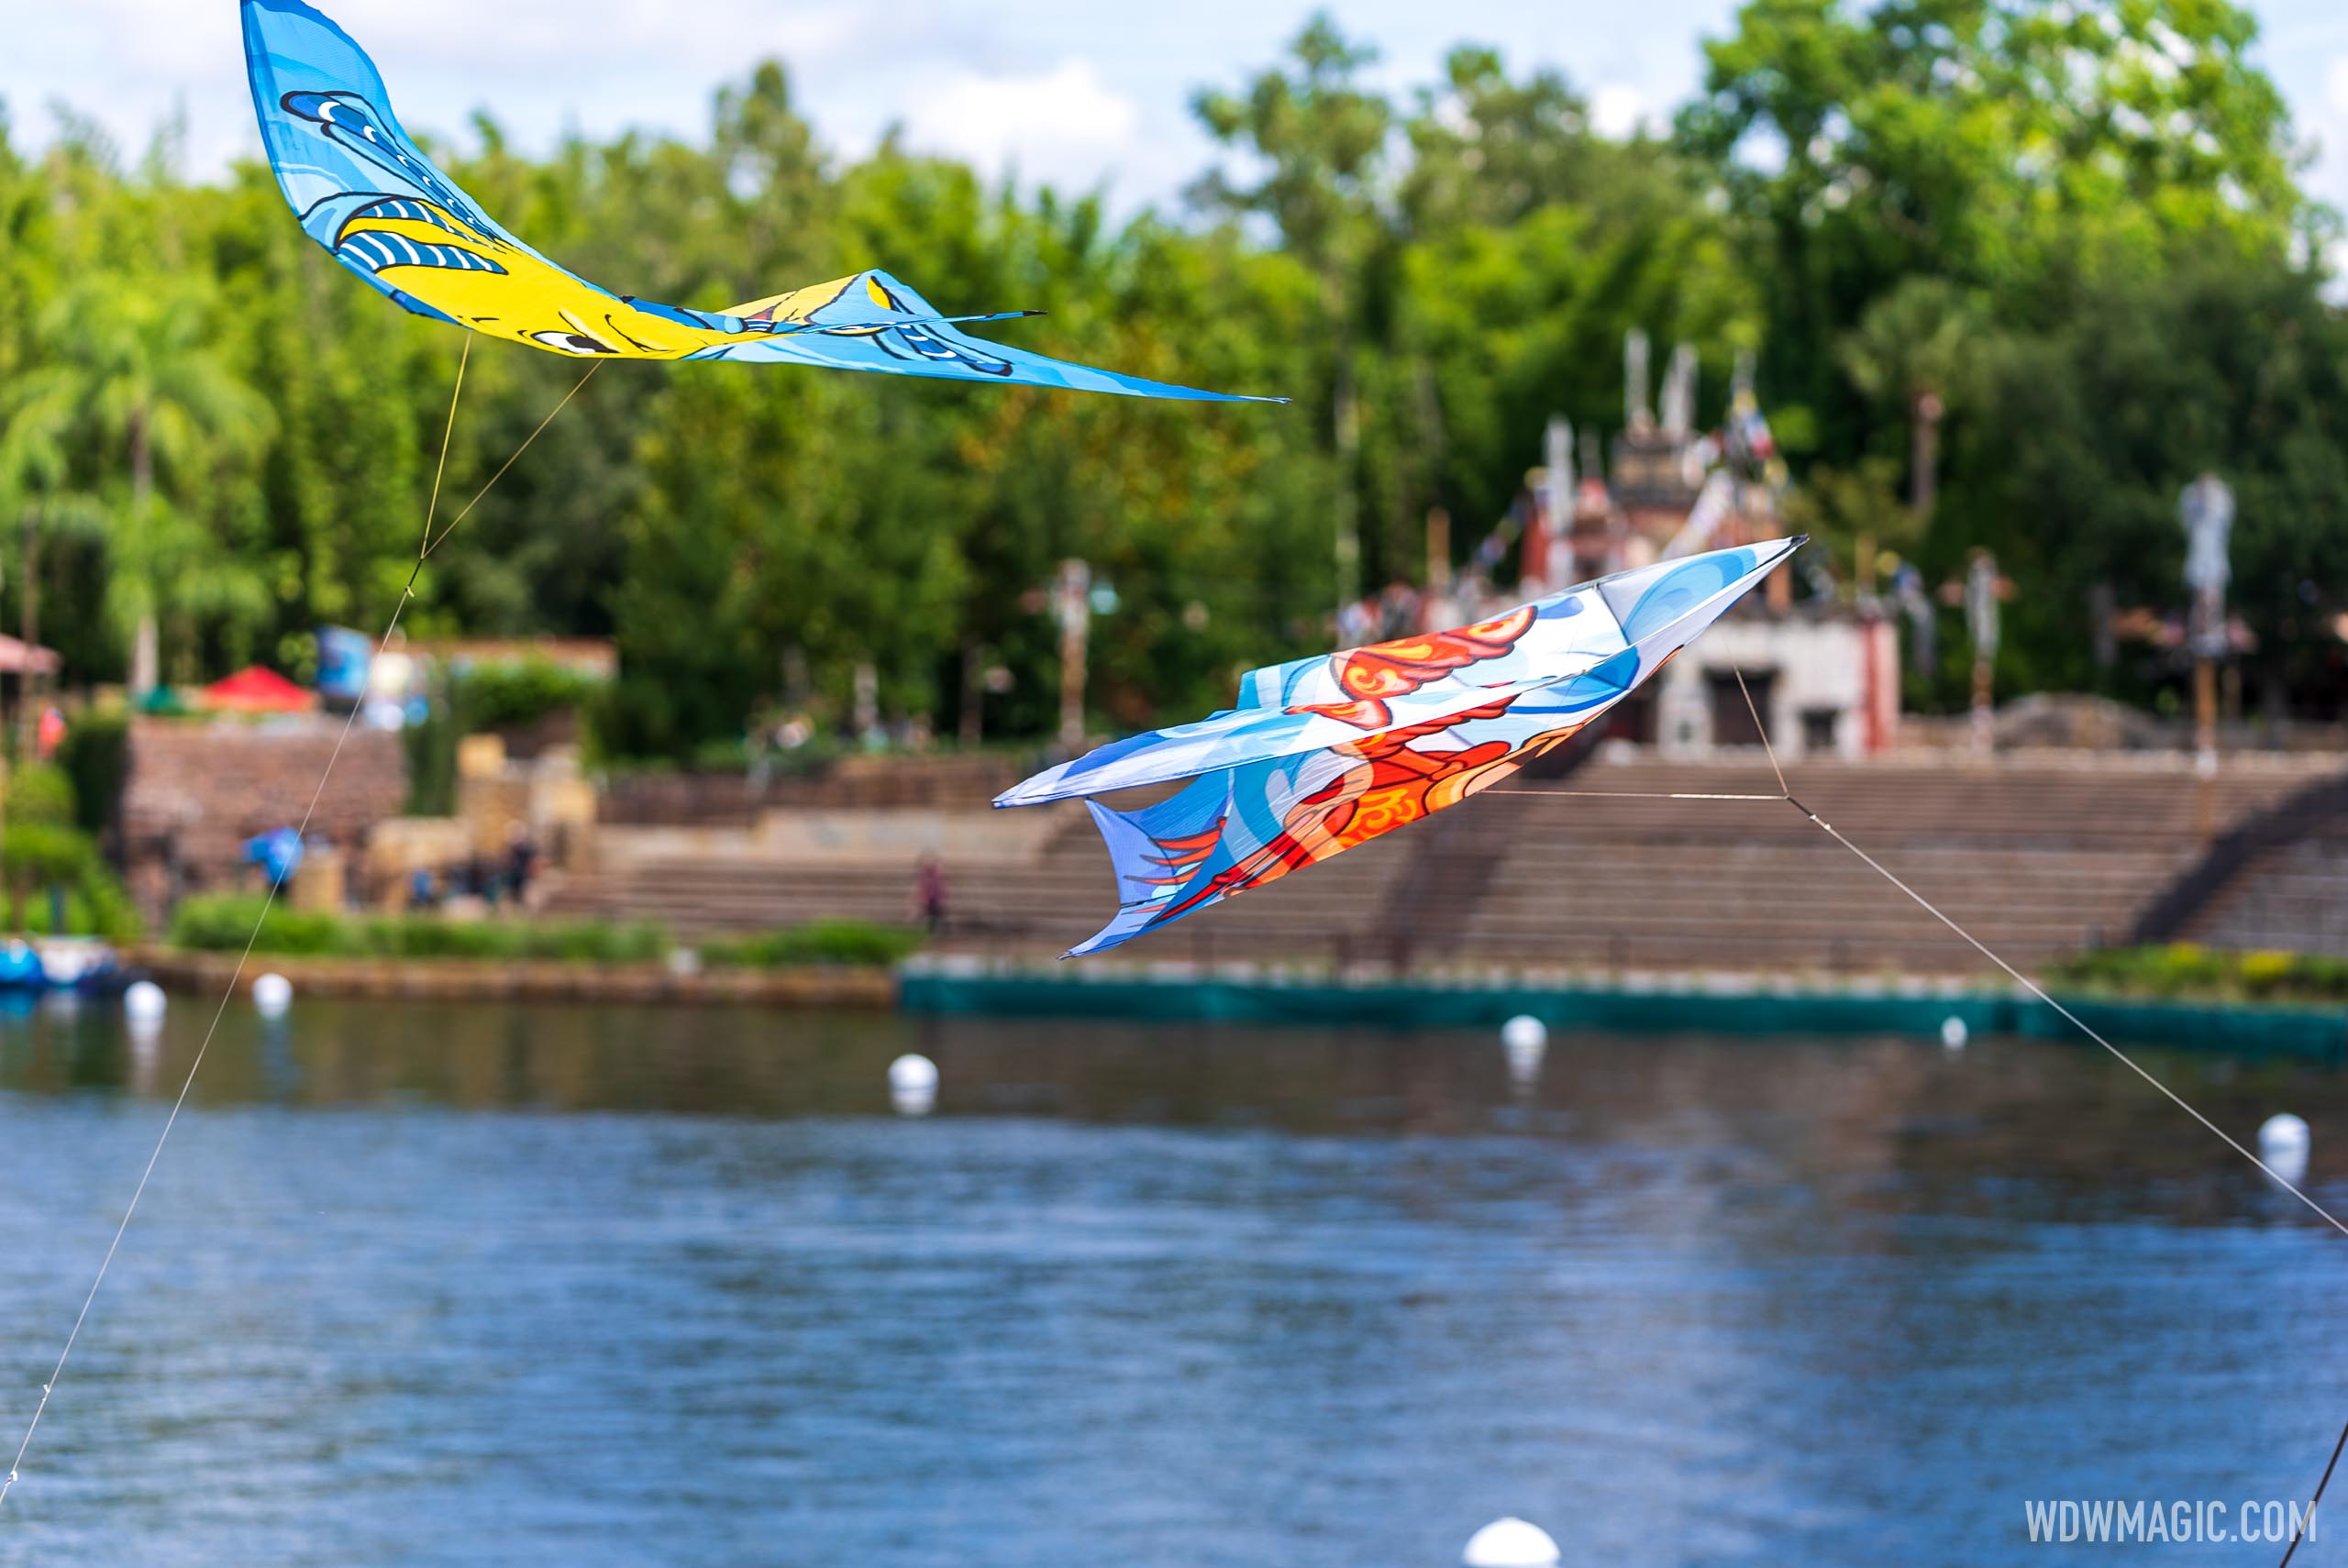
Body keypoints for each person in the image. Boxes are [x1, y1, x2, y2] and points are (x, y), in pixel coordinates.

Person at [912, 856, 949, 936]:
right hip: (930, 899)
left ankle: (935, 930)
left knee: (936, 914)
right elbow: (923, 888)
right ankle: (931, 929)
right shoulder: (926, 876)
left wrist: (942, 896)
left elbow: (940, 887)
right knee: (932, 914)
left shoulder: (935, 875)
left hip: (934, 899)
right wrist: (922, 898)